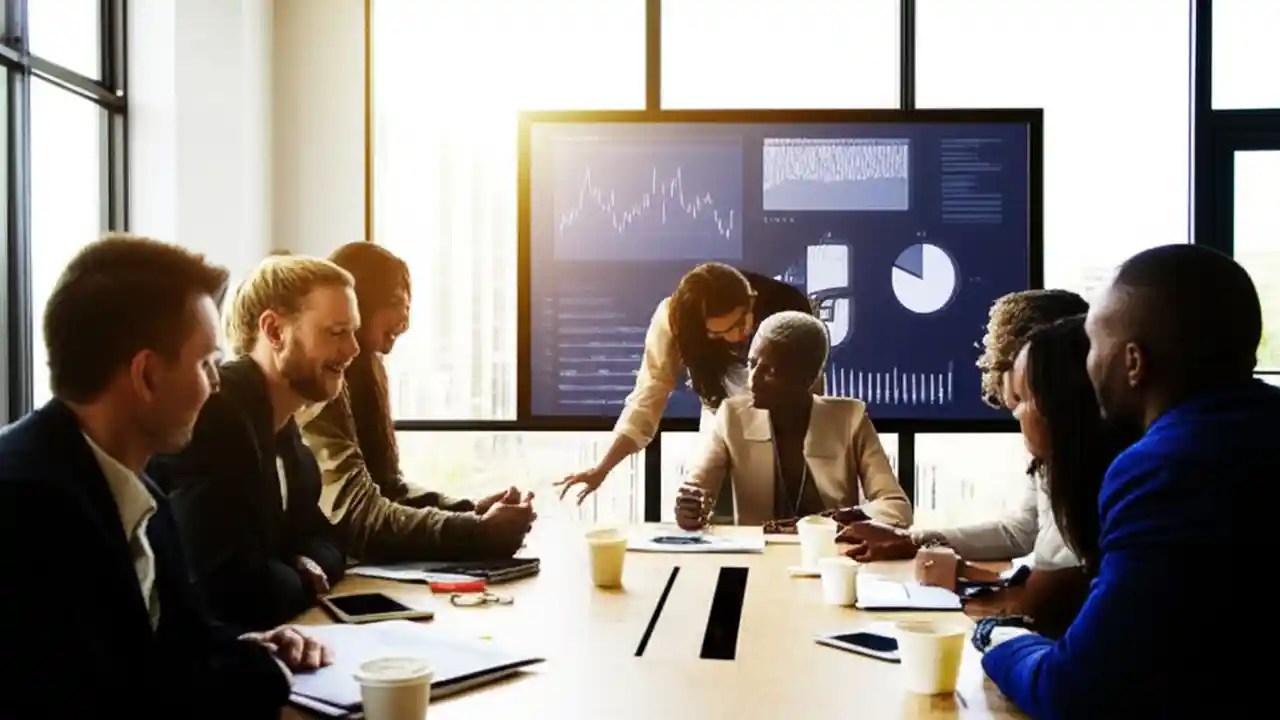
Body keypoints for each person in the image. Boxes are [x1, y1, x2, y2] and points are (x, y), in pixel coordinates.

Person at [0, 235, 330, 718]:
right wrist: (245, 677)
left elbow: (175, 638)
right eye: (205, 364)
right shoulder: (23, 505)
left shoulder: (139, 492)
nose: (217, 385)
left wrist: (254, 647)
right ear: (147, 375)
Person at [974, 244, 1277, 718]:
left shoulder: (1165, 471)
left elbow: (1073, 690)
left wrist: (999, 639)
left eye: (1093, 345)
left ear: (1133, 362)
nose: (1086, 364)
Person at [149, 255, 354, 630]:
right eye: (337, 332)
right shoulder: (214, 417)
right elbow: (234, 591)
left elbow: (331, 540)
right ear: (274, 331)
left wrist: (302, 562)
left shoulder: (289, 436)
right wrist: (302, 575)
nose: (353, 349)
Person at [298, 242, 535, 561]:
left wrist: (470, 511)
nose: (405, 319)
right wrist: (476, 531)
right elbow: (359, 515)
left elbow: (387, 488)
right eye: (397, 300)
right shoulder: (321, 382)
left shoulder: (368, 368)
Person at [838, 289, 1091, 569]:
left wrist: (963, 574)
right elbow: (1021, 531)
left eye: (1022, 400)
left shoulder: (1084, 454)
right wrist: (913, 540)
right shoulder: (1053, 445)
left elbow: (1054, 582)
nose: (1016, 409)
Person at [558, 262, 817, 504]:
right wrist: (603, 467)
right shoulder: (674, 319)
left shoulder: (788, 310)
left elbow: (811, 396)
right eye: (719, 333)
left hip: (788, 435)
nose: (737, 336)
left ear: (750, 301)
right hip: (720, 431)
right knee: (712, 518)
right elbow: (650, 394)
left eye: (741, 323)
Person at [674, 311, 911, 530]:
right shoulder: (732, 416)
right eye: (752, 364)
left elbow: (896, 507)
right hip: (759, 560)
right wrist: (692, 505)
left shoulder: (850, 418)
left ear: (807, 377)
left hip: (830, 557)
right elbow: (699, 486)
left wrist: (828, 522)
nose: (752, 381)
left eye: (770, 371)